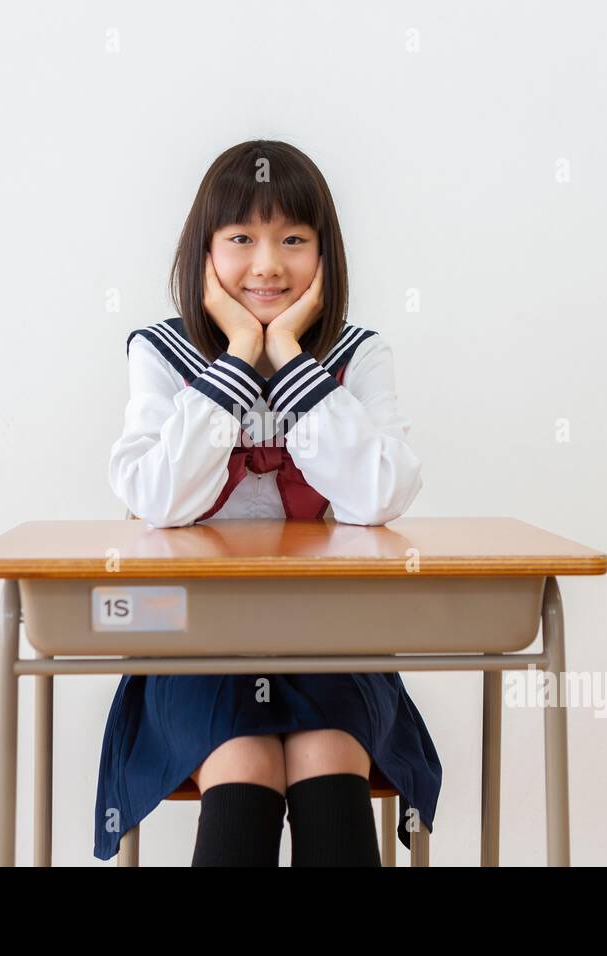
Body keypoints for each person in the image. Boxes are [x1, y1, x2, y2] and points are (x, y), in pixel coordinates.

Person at [97, 139, 442, 866]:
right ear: (205, 253)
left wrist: (289, 357)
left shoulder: (358, 353)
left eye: (294, 239)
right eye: (241, 239)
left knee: (325, 752)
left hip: (332, 642)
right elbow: (157, 498)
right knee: (246, 757)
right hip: (194, 645)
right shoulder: (160, 354)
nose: (267, 264)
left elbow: (379, 493)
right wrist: (231, 363)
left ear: (326, 254)